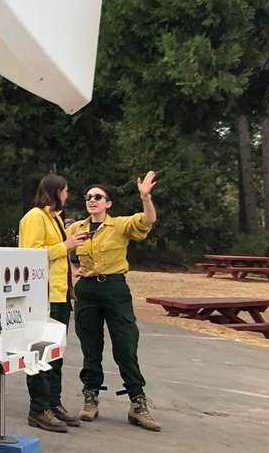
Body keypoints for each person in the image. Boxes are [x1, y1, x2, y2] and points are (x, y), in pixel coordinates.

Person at [69, 172, 160, 432]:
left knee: (125, 345)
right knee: (90, 346)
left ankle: (137, 403)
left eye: (98, 197)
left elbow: (148, 220)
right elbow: (62, 247)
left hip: (114, 289)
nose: (92, 200)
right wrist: (73, 266)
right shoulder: (77, 228)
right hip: (87, 291)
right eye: (88, 197)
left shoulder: (120, 225)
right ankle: (90, 397)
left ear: (108, 203)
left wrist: (145, 196)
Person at [18, 174, 90, 433]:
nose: (68, 195)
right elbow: (31, 255)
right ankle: (38, 408)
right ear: (55, 191)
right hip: (42, 296)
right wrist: (65, 245)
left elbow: (57, 253)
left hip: (60, 294)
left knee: (56, 354)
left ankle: (53, 402)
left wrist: (73, 267)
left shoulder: (55, 218)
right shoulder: (34, 218)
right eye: (66, 191)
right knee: (40, 354)